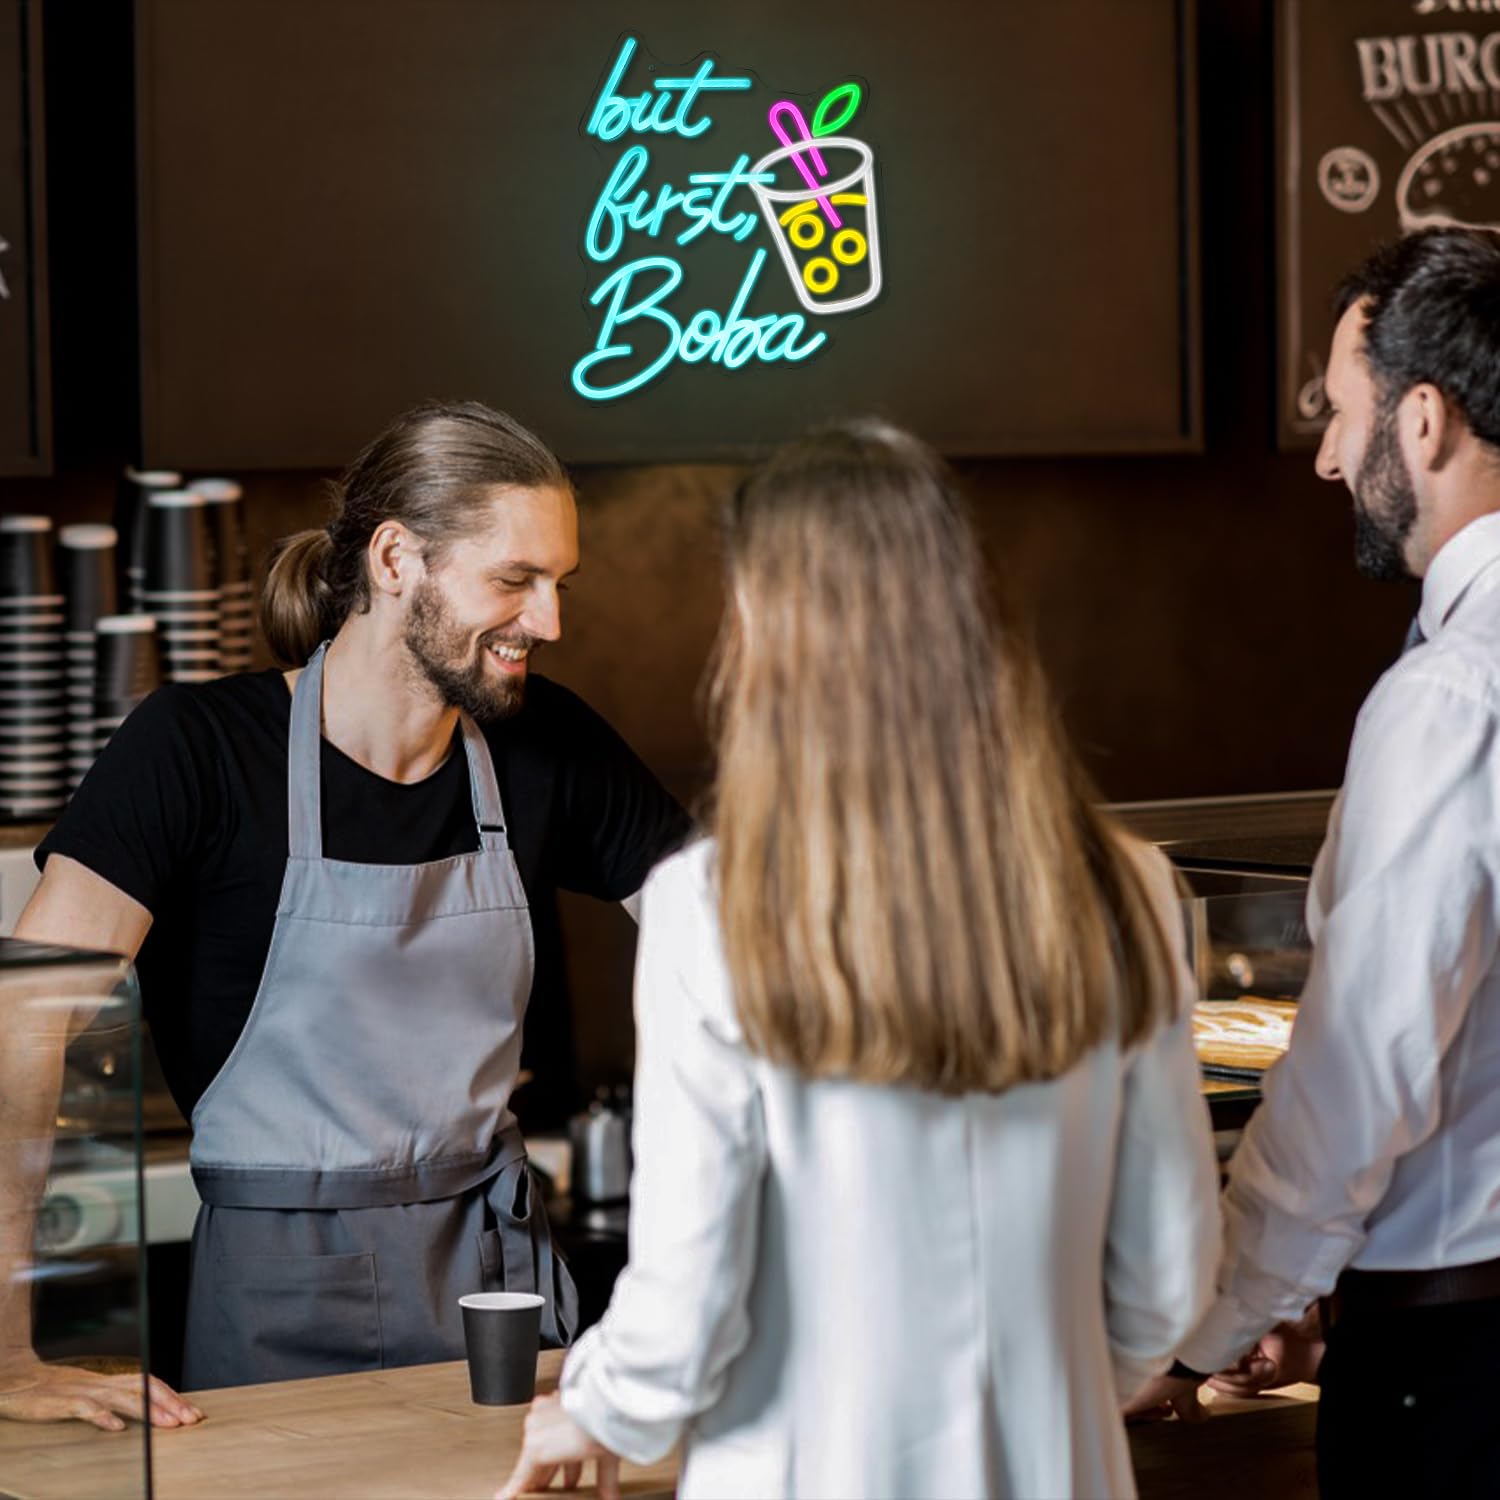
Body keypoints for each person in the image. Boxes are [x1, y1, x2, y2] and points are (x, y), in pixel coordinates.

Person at [497, 420, 1220, 1500]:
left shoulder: (717, 906)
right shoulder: (1127, 890)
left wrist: (592, 1409)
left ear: (768, 635)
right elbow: (1170, 1275)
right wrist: (1049, 1387)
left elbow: (685, 1308)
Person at [0, 400, 689, 1428]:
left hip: (495, 1293)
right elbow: (24, 1025)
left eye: (558, 585)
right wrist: (10, 1354)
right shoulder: (198, 751)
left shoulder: (547, 745)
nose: (549, 622)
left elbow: (735, 944)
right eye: (514, 581)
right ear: (396, 558)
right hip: (274, 1309)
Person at [1126, 227, 1500, 1497]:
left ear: (1427, 421)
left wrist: (1209, 1330)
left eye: (1345, 414)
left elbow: (1356, 1078)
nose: (1331, 456)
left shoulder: (1451, 696)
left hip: (1461, 1372)